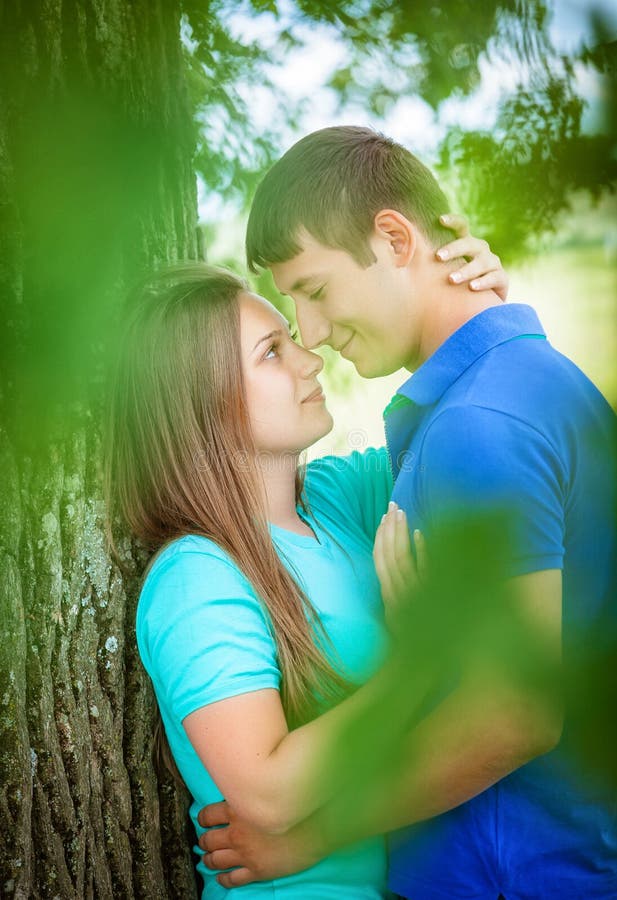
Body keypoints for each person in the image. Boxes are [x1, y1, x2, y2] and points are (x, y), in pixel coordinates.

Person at [198, 126, 617, 898]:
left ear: (394, 239)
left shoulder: (479, 424)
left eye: (314, 290)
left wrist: (313, 838)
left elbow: (513, 715)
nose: (312, 333)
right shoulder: (527, 383)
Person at [106, 241, 506, 898]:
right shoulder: (196, 577)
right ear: (202, 401)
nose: (310, 358)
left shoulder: (338, 500)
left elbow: (476, 435)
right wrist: (419, 662)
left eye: (291, 339)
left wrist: (479, 313)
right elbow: (266, 795)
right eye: (272, 352)